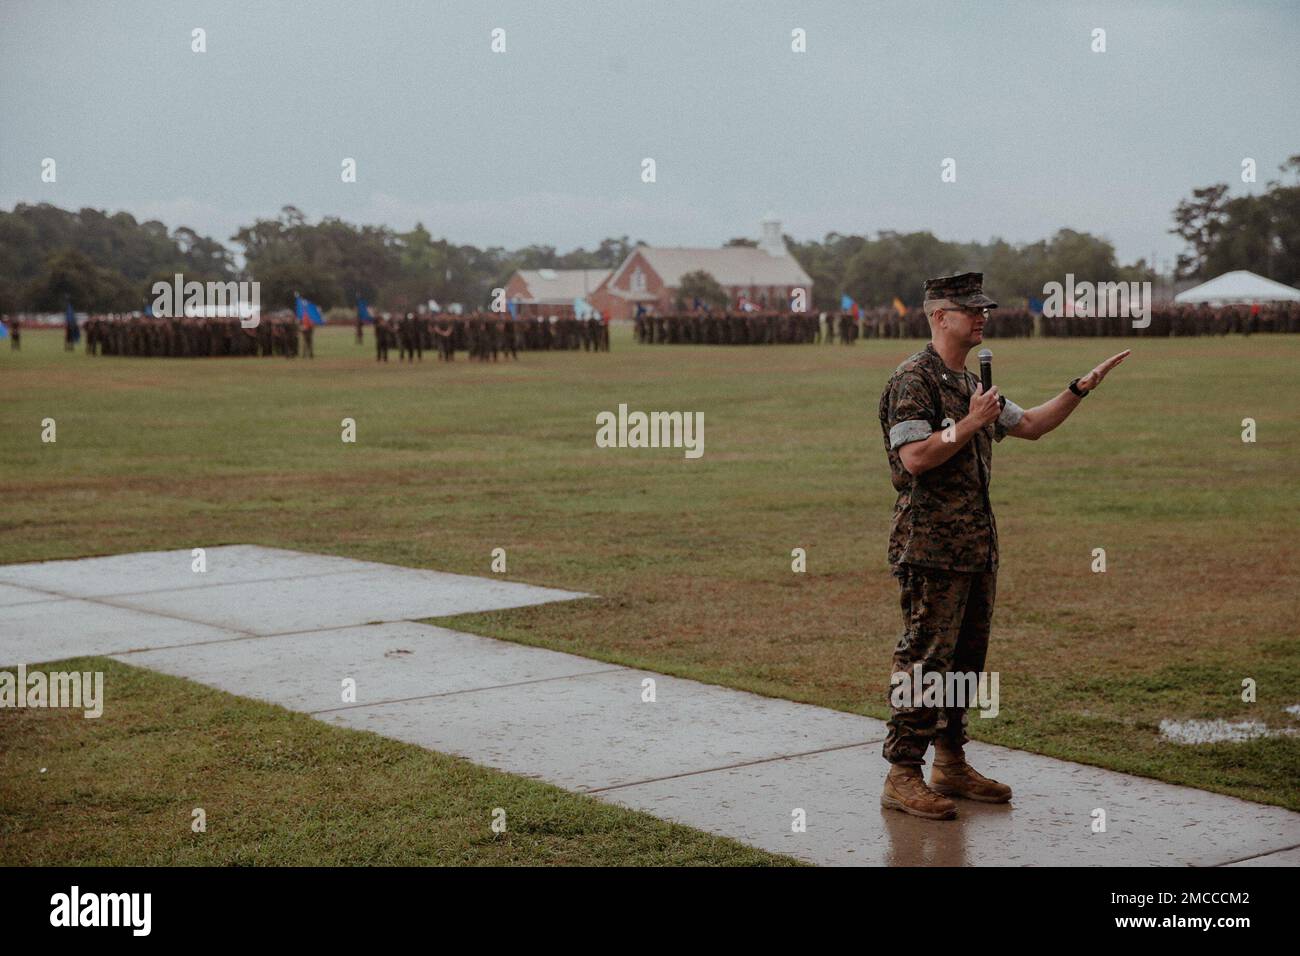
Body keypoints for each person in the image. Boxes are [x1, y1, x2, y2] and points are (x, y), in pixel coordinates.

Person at [877, 271, 1129, 820]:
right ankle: (902, 773)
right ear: (941, 317)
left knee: (965, 663)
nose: (982, 317)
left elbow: (1032, 425)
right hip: (929, 548)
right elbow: (914, 457)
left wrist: (1078, 388)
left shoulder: (972, 386)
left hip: (975, 547)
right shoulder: (913, 380)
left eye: (983, 309)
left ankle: (950, 762)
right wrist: (969, 425)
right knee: (923, 661)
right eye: (971, 310)